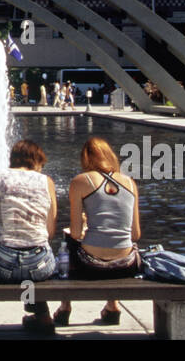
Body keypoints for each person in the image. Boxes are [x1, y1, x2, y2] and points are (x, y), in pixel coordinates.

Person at [0, 139, 58, 336]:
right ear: (36, 160)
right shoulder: (47, 182)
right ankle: (43, 316)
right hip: (39, 265)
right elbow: (50, 231)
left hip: (1, 265)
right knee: (33, 262)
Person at [55, 137, 141, 327]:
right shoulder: (130, 183)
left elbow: (76, 233)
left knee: (67, 241)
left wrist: (86, 226)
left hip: (91, 264)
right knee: (119, 242)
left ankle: (65, 306)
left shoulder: (81, 181)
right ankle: (112, 306)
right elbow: (135, 234)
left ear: (85, 159)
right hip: (126, 264)